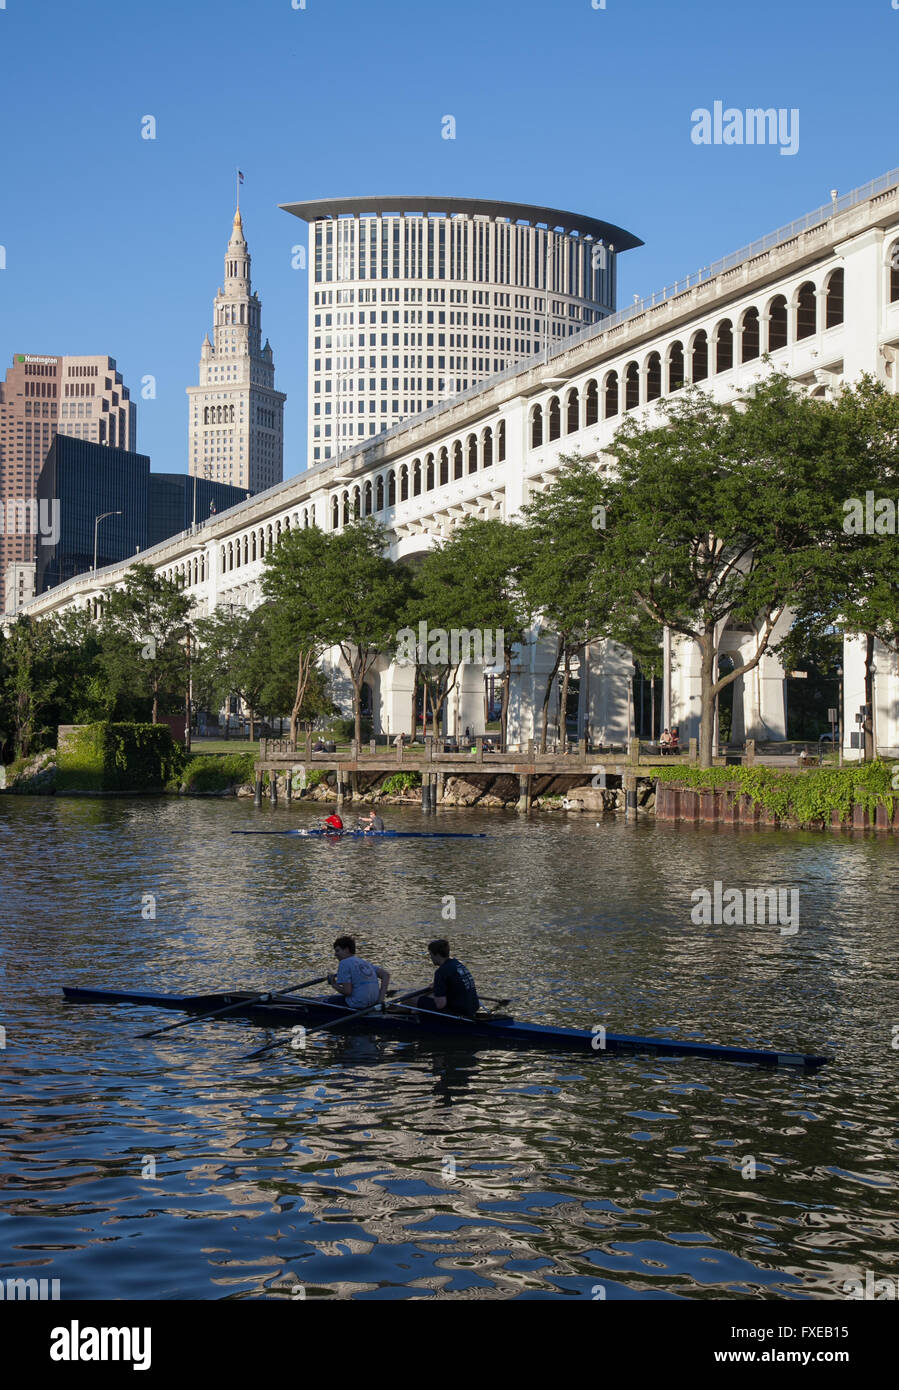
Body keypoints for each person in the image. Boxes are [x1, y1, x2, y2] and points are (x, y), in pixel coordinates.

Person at [416, 939, 480, 1018]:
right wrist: (437, 988)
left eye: (431, 954)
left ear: (437, 955)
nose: (431, 957)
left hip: (458, 1013)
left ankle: (401, 1019)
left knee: (413, 1000)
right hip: (472, 1008)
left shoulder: (441, 972)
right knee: (429, 996)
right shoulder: (457, 964)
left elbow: (440, 1005)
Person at [326, 936, 390, 1010]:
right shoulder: (364, 962)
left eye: (337, 951)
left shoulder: (344, 963)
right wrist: (380, 1000)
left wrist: (334, 984)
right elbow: (386, 975)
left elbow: (347, 992)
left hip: (358, 1003)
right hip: (373, 1003)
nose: (335, 954)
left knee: (329, 1001)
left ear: (346, 949)